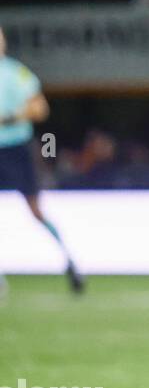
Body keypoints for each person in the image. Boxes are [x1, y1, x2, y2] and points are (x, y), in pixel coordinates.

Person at [0, 25, 84, 295]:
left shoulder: (16, 73)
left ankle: (69, 260)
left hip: (16, 148)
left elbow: (40, 108)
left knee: (36, 211)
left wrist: (8, 118)